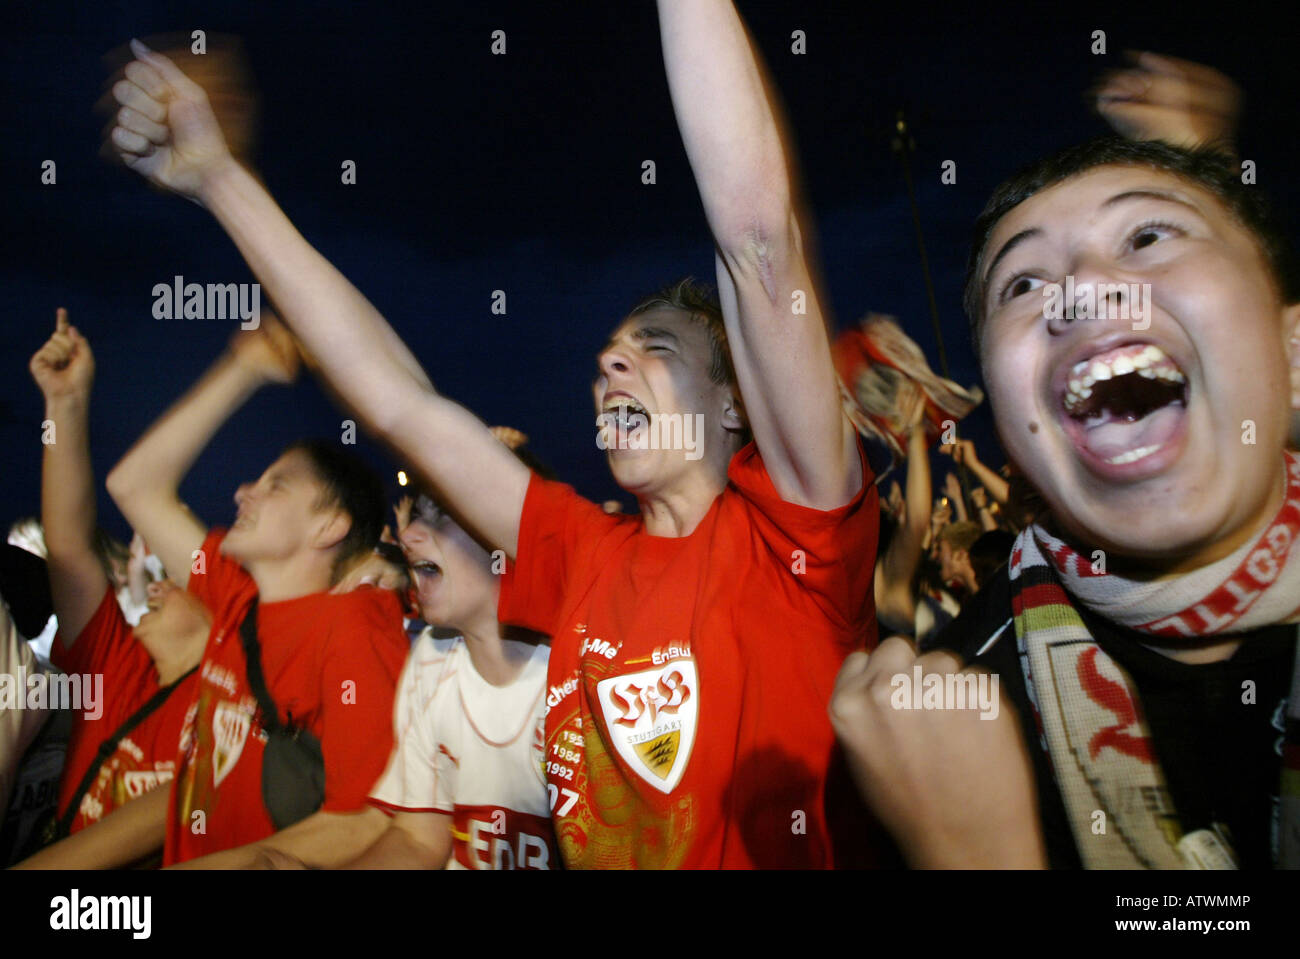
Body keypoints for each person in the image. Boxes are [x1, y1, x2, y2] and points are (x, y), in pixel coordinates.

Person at [106, 0, 878, 867]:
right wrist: (221, 180)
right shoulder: (583, 554)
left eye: (654, 349)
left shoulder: (799, 540)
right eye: (607, 357)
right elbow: (397, 401)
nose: (610, 367)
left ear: (734, 403)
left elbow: (759, 239)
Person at [831, 55, 1300, 868]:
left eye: (1149, 235)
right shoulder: (937, 728)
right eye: (1023, 284)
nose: (1082, 290)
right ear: (1013, 427)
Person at [21, 318, 410, 868]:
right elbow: (134, 486)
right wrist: (242, 370)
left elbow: (371, 820)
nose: (243, 492)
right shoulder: (239, 604)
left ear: (330, 528)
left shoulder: (353, 626)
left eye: (277, 484)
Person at [28, 309, 209, 851]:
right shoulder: (114, 664)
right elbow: (67, 547)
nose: (151, 587)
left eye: (171, 581)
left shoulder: (235, 706)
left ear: (221, 605)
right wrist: (65, 404)